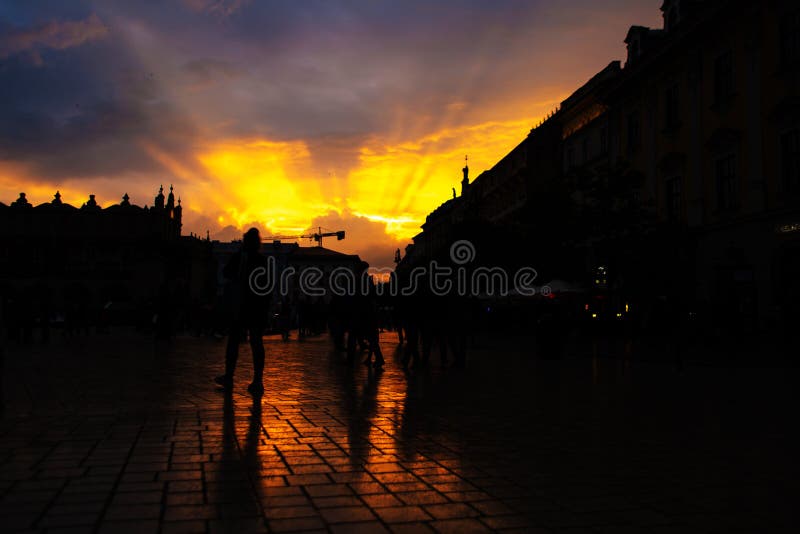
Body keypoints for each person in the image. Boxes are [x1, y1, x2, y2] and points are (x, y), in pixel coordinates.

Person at [215, 228, 270, 395]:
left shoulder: (240, 257)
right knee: (256, 342)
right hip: (257, 306)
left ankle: (229, 376)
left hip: (240, 305)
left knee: (233, 341)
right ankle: (258, 380)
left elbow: (226, 272)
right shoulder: (262, 260)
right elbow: (266, 286)